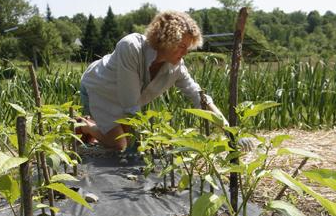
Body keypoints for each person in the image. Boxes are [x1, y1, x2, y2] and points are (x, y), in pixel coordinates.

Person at [76, 10, 226, 150]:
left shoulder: (176, 67)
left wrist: (228, 130)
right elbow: (130, 106)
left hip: (125, 101)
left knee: (122, 142)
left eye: (188, 47)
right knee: (120, 145)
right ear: (166, 40)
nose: (186, 52)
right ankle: (86, 126)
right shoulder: (131, 47)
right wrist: (137, 147)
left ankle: (90, 128)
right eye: (181, 46)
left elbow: (197, 95)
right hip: (98, 90)